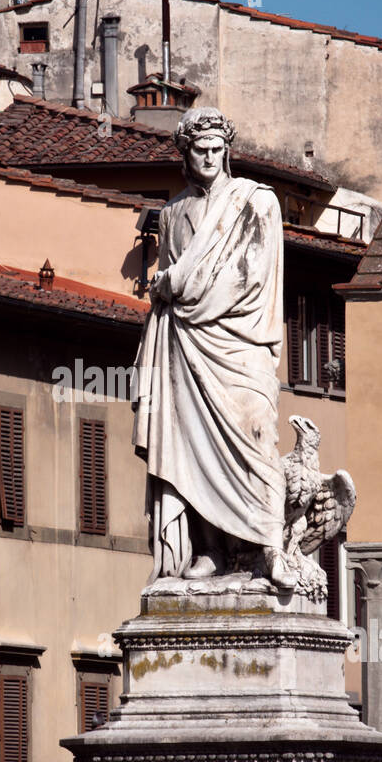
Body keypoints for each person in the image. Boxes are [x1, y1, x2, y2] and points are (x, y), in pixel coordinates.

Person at [132, 107, 295, 588]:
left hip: (242, 342)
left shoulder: (256, 202)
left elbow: (254, 273)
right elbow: (171, 277)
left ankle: (270, 548)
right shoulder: (173, 213)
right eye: (199, 149)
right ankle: (210, 552)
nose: (207, 157)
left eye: (215, 150)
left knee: (258, 434)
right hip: (188, 344)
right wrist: (173, 285)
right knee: (189, 444)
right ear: (185, 154)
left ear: (227, 153)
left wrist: (177, 285)